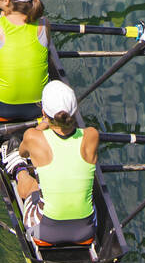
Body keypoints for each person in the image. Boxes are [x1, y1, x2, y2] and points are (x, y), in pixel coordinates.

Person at [11, 81, 99, 246]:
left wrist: (42, 124)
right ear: (74, 112)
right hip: (87, 231)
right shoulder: (92, 135)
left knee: (29, 182)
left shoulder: (32, 136)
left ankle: (18, 171)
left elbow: (23, 152)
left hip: (43, 232)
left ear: (44, 112)